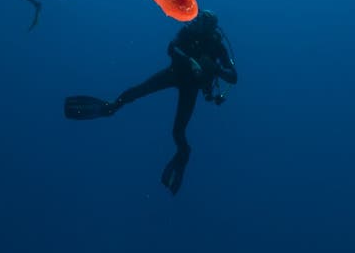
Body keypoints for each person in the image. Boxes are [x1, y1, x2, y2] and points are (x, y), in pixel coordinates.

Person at [64, 10, 237, 195]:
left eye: (202, 20)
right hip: (175, 74)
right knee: (138, 90)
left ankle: (184, 152)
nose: (196, 20)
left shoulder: (217, 46)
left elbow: (233, 77)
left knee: (178, 131)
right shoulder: (188, 32)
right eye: (199, 18)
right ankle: (111, 106)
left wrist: (215, 68)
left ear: (210, 27)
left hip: (191, 86)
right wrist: (191, 62)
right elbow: (171, 48)